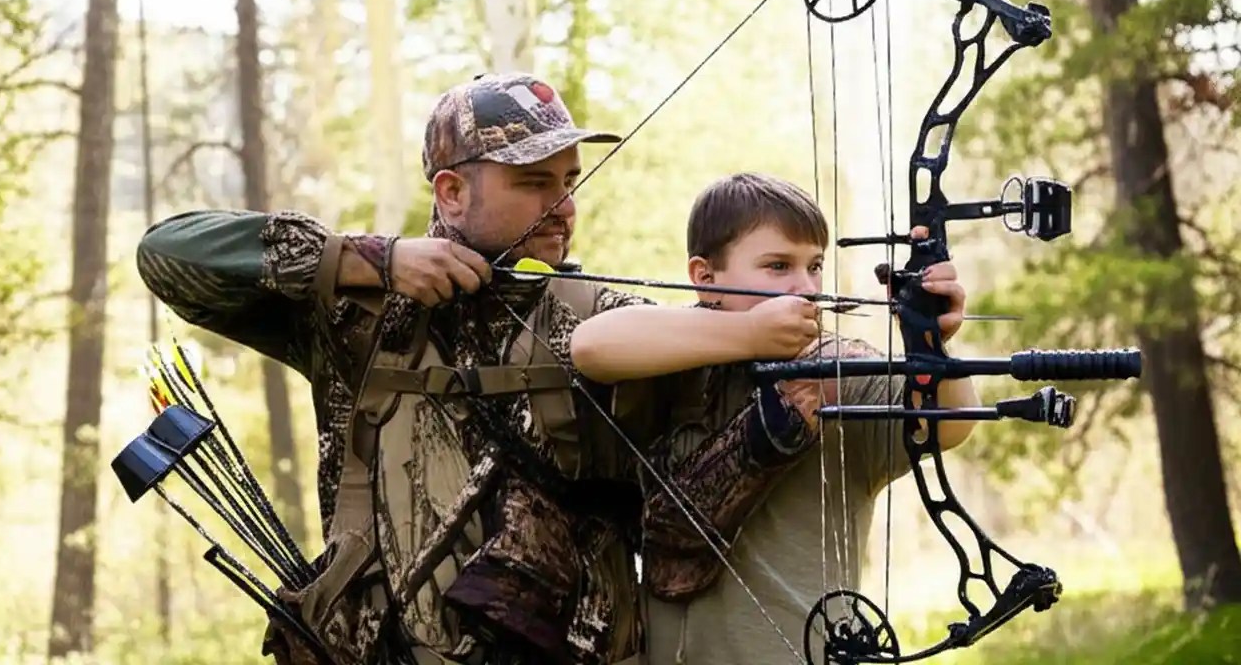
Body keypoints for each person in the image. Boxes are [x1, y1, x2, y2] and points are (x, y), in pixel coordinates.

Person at [136, 72, 653, 665]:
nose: (564, 208)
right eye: (535, 183)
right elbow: (165, 254)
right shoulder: (356, 314)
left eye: (569, 182)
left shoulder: (604, 323)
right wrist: (368, 261)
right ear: (452, 192)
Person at [569, 172, 979, 664]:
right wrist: (749, 335)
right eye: (777, 266)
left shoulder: (834, 372)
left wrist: (931, 339)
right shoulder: (672, 361)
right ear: (704, 277)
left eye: (815, 266)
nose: (804, 287)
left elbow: (947, 422)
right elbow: (590, 346)